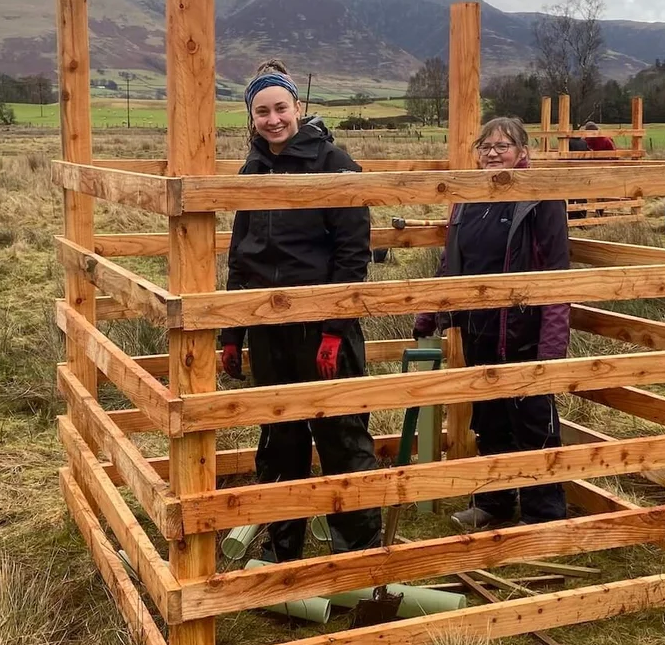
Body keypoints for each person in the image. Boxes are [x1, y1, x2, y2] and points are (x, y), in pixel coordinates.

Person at [216, 59, 382, 562]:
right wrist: (233, 333)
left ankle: (356, 547)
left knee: (340, 432)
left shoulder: (334, 164)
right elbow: (240, 254)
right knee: (279, 434)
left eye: (280, 108)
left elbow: (353, 253)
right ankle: (282, 546)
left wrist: (334, 327)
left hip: (321, 325)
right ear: (252, 117)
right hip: (269, 327)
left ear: (298, 108)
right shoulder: (252, 169)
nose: (273, 119)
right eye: (262, 111)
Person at [413, 116, 570, 531]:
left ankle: (543, 516)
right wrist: (430, 310)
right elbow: (451, 261)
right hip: (478, 329)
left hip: (524, 331)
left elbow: (556, 273)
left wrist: (551, 348)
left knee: (533, 424)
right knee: (490, 420)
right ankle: (494, 504)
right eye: (485, 146)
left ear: (523, 153)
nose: (493, 153)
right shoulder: (467, 197)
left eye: (503, 146)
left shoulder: (540, 199)